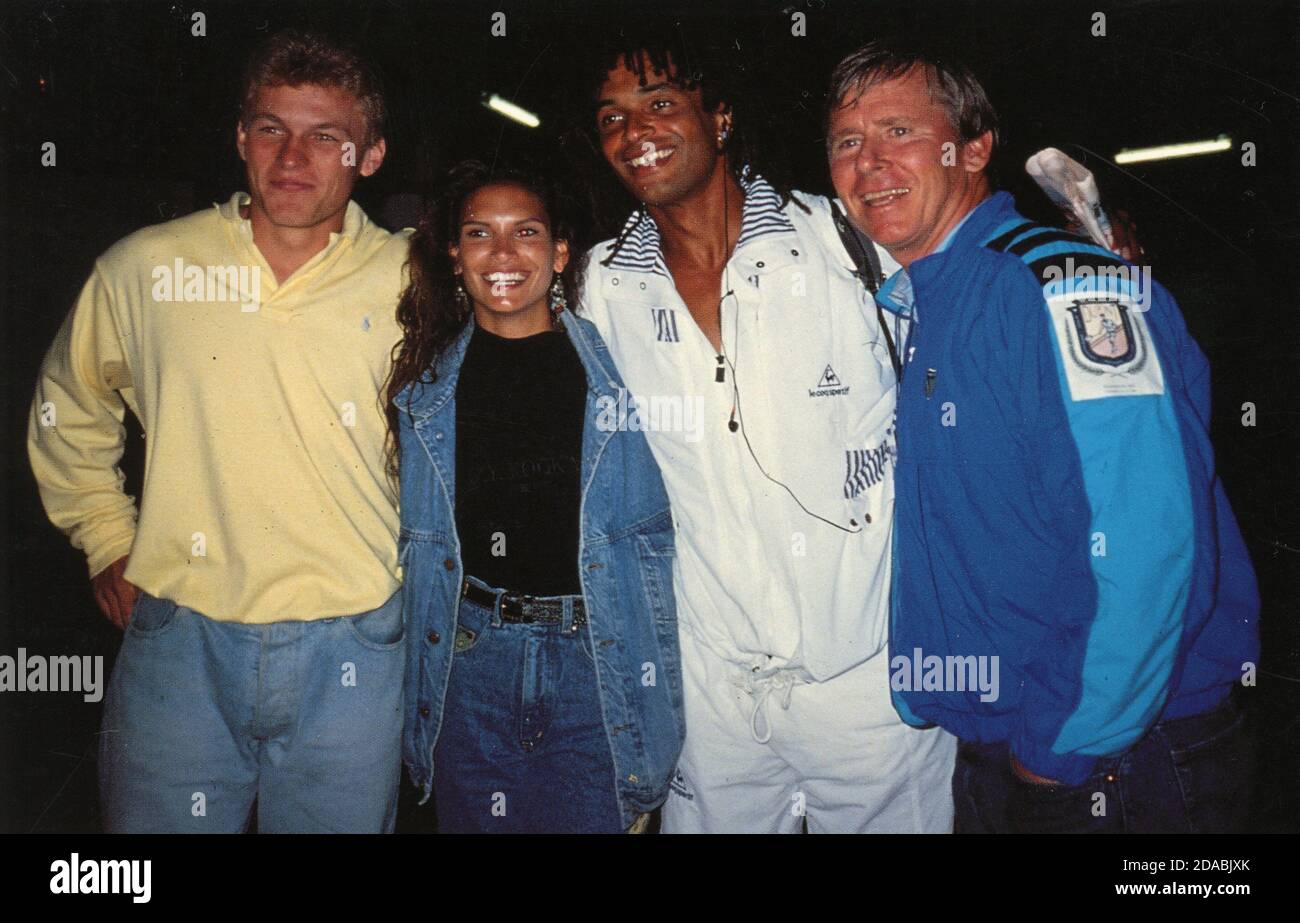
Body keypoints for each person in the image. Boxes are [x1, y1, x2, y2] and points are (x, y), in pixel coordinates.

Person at [825, 38, 1260, 833]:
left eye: (899, 133)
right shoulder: (928, 303)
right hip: (1015, 746)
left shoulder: (1063, 289)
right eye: (847, 142)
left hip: (1115, 761)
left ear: (977, 146)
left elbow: (1145, 545)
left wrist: (1057, 748)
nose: (868, 164)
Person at [27, 30, 411, 833]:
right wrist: (104, 534)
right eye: (271, 128)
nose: (293, 157)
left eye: (326, 136)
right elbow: (70, 402)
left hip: (354, 642)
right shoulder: (146, 267)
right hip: (179, 635)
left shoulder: (418, 281)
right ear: (242, 138)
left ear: (369, 155)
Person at [578, 29, 956, 833]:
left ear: (719, 119)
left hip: (871, 688)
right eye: (611, 117)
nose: (634, 132)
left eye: (660, 104)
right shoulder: (602, 288)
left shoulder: (841, 243)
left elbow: (978, 319)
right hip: (713, 698)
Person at [389, 161, 684, 834]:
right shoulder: (424, 394)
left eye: (525, 231)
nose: (501, 253)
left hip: (596, 658)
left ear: (558, 252)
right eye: (478, 233)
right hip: (470, 664)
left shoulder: (625, 374)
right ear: (455, 254)